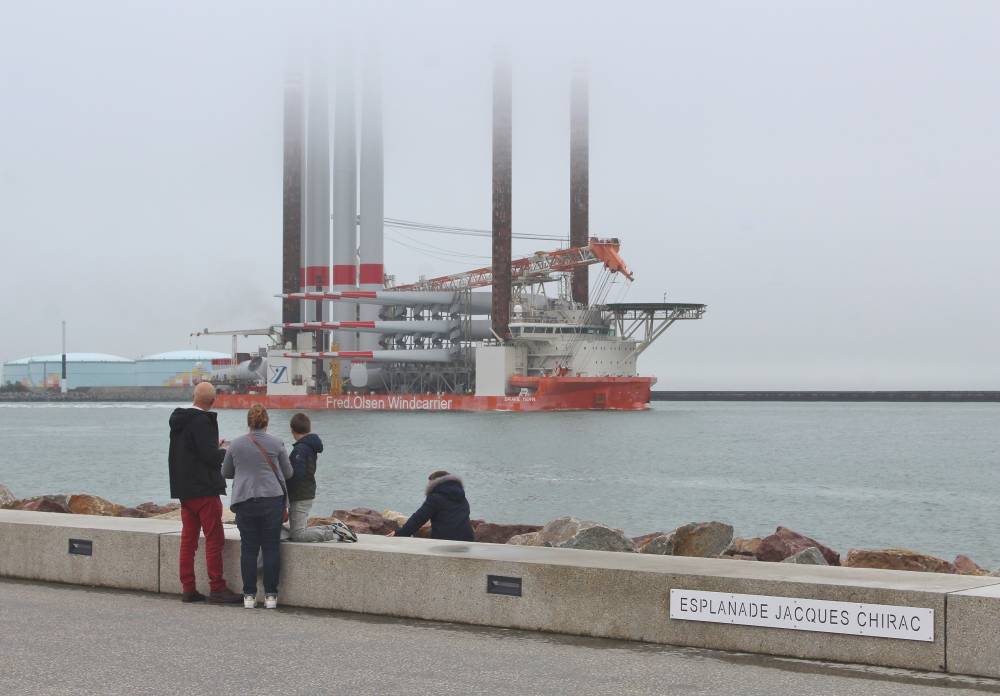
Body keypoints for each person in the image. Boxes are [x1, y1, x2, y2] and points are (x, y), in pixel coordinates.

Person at [168, 381, 243, 604]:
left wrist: (212, 445)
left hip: (184, 491)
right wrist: (224, 451)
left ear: (194, 396)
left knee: (188, 540)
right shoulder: (203, 421)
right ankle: (217, 588)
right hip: (204, 490)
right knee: (214, 539)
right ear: (212, 401)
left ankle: (188, 588)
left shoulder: (179, 420)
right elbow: (209, 457)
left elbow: (189, 450)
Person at [221, 404, 293, 609]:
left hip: (245, 501)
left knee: (249, 549)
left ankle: (249, 596)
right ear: (266, 422)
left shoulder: (236, 444)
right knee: (271, 548)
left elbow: (226, 472)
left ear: (248, 423)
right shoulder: (277, 443)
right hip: (272, 500)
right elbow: (288, 473)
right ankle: (270, 596)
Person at [285, 413, 350, 543]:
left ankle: (334, 533)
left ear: (292, 430)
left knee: (298, 535)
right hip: (306, 492)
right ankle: (334, 528)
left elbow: (296, 475)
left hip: (300, 495)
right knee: (296, 531)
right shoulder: (309, 446)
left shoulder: (300, 449)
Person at [389, 471, 476, 542]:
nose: (428, 486)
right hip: (467, 540)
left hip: (445, 540)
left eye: (430, 484)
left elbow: (419, 518)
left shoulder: (435, 498)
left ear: (436, 483)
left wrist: (400, 533)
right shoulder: (462, 497)